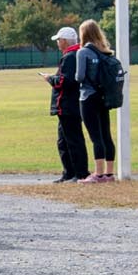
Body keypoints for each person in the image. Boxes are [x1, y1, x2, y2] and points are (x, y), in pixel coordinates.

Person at [42, 26, 89, 182]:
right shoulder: (76, 54)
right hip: (70, 105)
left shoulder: (70, 57)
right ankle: (69, 172)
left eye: (59, 40)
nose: (58, 43)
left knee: (73, 140)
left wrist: (50, 78)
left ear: (64, 41)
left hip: (68, 105)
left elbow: (65, 81)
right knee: (63, 141)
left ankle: (80, 173)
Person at [75, 20, 117, 183]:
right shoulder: (105, 51)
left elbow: (79, 76)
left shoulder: (83, 52)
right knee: (106, 134)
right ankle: (109, 173)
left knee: (95, 136)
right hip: (103, 96)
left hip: (88, 96)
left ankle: (98, 174)